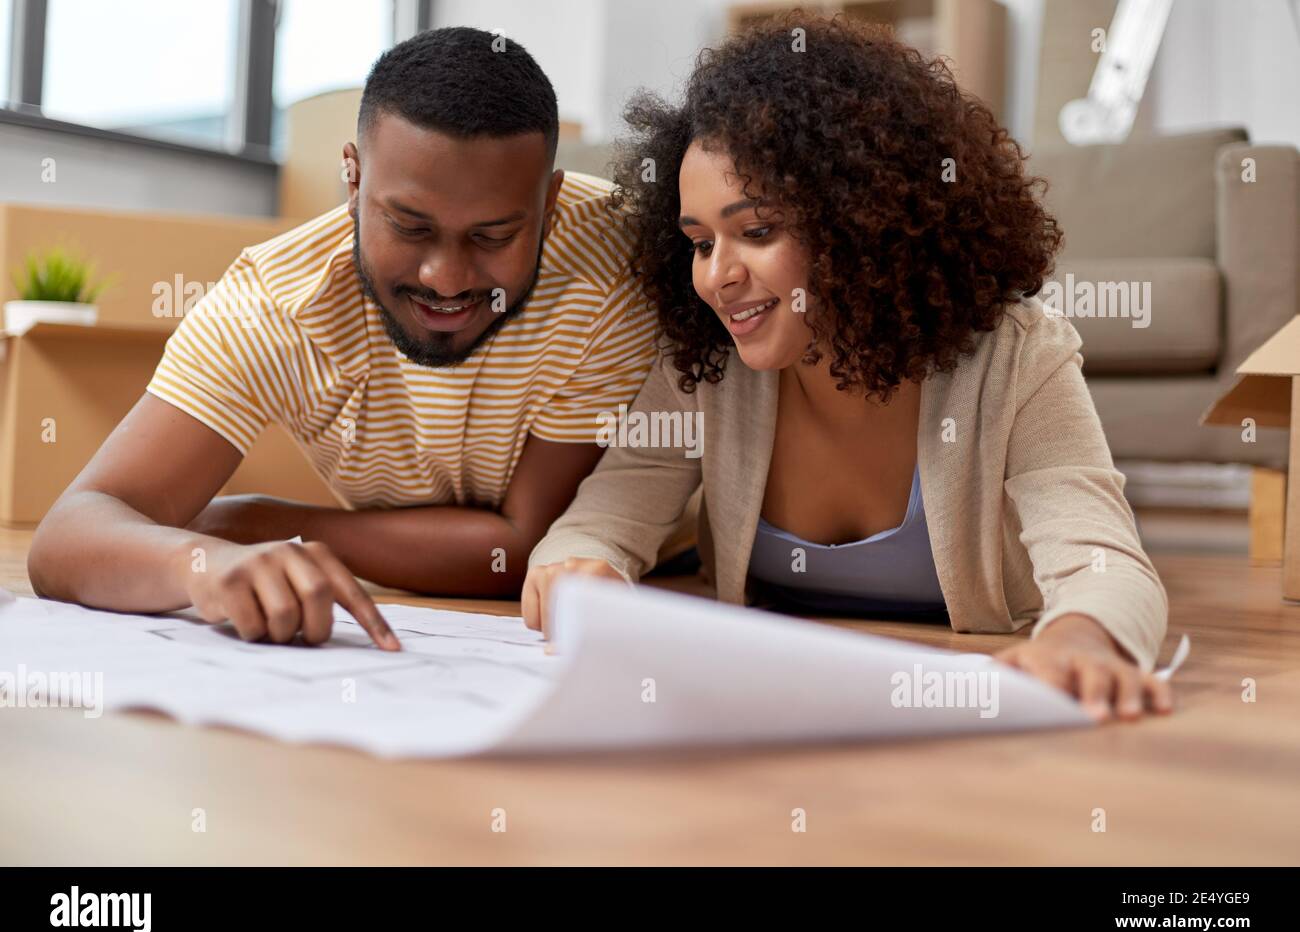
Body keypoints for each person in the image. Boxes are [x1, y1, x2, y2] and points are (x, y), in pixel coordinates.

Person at [523, 16, 1173, 722]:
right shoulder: (707, 366)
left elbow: (1102, 560)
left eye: (757, 232)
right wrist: (580, 570)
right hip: (766, 720)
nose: (717, 276)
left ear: (861, 218)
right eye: (700, 242)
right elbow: (604, 518)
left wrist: (1083, 639)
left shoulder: (1018, 357)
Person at [28, 27, 657, 649]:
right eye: (410, 227)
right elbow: (66, 537)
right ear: (352, 180)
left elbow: (525, 547)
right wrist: (200, 562)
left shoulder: (613, 261)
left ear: (551, 204)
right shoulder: (270, 307)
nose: (446, 277)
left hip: (663, 580)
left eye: (492, 237)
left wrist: (259, 522)